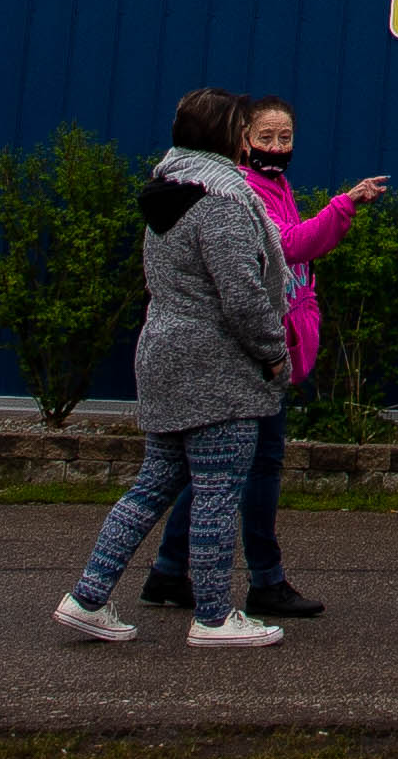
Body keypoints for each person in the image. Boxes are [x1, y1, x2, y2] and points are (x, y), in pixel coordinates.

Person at [52, 88, 295, 649]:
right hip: (215, 368)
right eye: (242, 128)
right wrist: (273, 351)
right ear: (225, 136)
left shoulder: (169, 193)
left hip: (162, 353)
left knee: (150, 487)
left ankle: (88, 597)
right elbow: (241, 295)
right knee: (217, 490)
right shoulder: (223, 202)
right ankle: (212, 618)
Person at [142, 97, 376, 625]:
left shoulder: (262, 187)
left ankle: (164, 570)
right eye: (264, 138)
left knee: (204, 470)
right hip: (247, 353)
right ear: (239, 138)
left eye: (284, 138)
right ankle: (249, 589)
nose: (275, 149)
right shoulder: (235, 194)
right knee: (247, 468)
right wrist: (343, 206)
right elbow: (271, 264)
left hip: (254, 343)